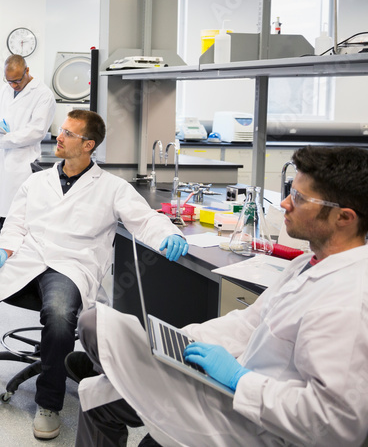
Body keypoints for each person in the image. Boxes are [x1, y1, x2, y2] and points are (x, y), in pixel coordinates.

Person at [70, 145, 368, 447]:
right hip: (235, 396)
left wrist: (239, 378)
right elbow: (249, 323)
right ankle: (119, 365)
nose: (285, 203)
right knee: (102, 390)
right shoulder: (307, 264)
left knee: (103, 372)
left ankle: (113, 367)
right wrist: (182, 339)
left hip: (261, 427)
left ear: (344, 217)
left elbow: (335, 426)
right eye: (292, 191)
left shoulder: (349, 302)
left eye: (300, 198)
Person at [0, 110, 188, 441]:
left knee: (58, 315)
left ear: (88, 145)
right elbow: (15, 224)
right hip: (26, 261)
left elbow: (145, 219)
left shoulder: (112, 187)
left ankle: (48, 404)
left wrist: (170, 235)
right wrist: (5, 249)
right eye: (62, 130)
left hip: (70, 266)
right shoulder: (37, 180)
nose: (59, 136)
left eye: (69, 134)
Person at [0, 54, 56, 270]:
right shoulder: (6, 89)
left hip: (20, 165)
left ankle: (3, 272)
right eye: (9, 81)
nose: (13, 85)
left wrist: (2, 139)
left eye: (17, 80)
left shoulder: (43, 95)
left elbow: (36, 132)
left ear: (27, 71)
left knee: (11, 222)